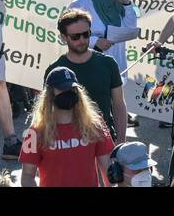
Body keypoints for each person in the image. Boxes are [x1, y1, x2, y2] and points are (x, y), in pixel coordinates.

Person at [19, 66, 115, 187]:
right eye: (63, 89)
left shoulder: (95, 124)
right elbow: (27, 176)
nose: (68, 92)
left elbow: (108, 170)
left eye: (72, 89)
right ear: (50, 94)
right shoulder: (34, 133)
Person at [48, 9, 125, 142]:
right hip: (69, 142)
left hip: (103, 138)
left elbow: (118, 105)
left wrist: (122, 142)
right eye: (75, 37)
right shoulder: (55, 69)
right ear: (63, 37)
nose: (82, 40)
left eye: (86, 34)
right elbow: (48, 111)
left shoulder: (108, 63)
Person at [66, 0, 139, 76]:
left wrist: (127, 5)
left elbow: (130, 28)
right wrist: (94, 41)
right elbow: (67, 35)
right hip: (90, 71)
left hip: (117, 71)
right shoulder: (81, 3)